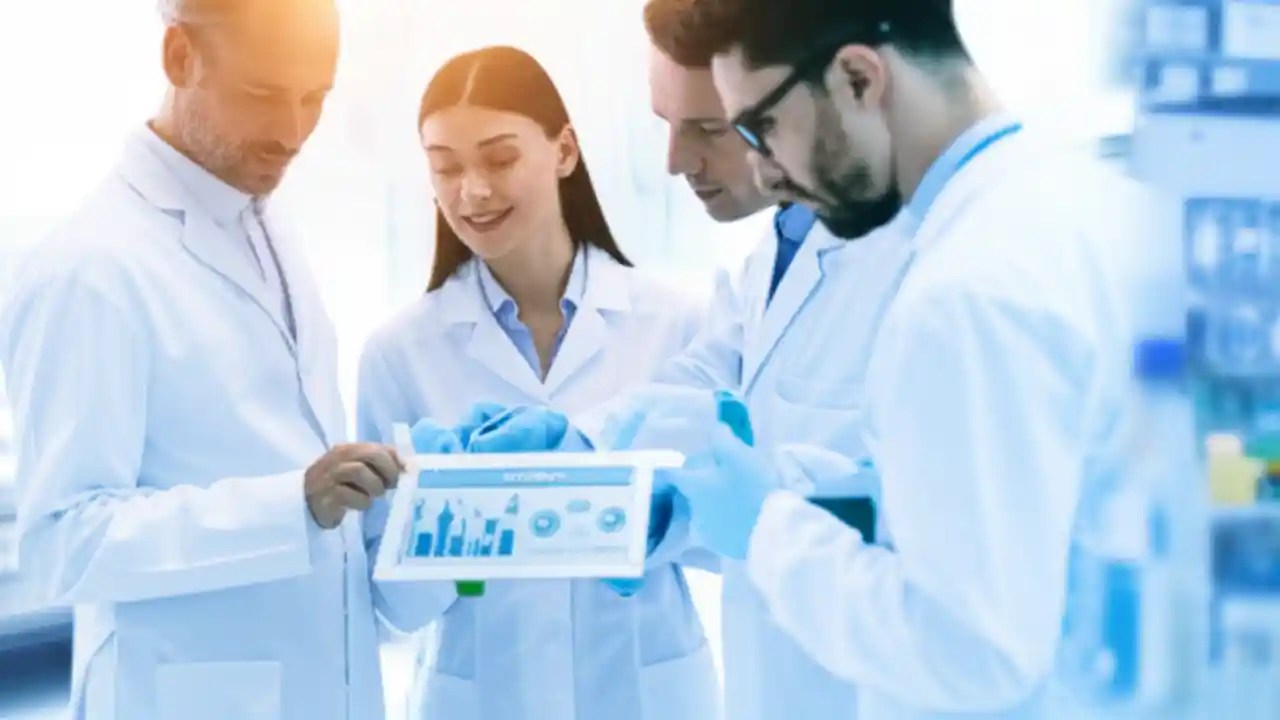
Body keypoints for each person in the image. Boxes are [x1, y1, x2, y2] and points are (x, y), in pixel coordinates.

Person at [646, 0, 1176, 718]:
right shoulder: (1088, 203)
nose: (765, 174)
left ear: (859, 79)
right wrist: (803, 491)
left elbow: (967, 656)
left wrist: (766, 526)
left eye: (762, 128)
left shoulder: (963, 293)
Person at [416, 3, 912, 719]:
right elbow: (692, 390)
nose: (675, 161)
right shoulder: (776, 252)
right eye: (666, 124)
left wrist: (737, 504)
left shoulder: (919, 266)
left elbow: (911, 525)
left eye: (710, 127)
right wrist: (574, 442)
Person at [0, 2, 405, 719]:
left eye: (314, 98)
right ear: (179, 58)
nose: (292, 133)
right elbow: (63, 540)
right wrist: (293, 505)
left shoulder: (266, 225)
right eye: (262, 95)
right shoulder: (92, 269)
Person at [354, 45, 718, 720]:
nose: (473, 191)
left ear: (564, 151)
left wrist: (648, 518)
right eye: (446, 168)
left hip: (648, 692)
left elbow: (731, 542)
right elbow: (389, 607)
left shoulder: (677, 327)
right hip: (480, 698)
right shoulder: (398, 354)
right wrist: (447, 530)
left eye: (499, 158)